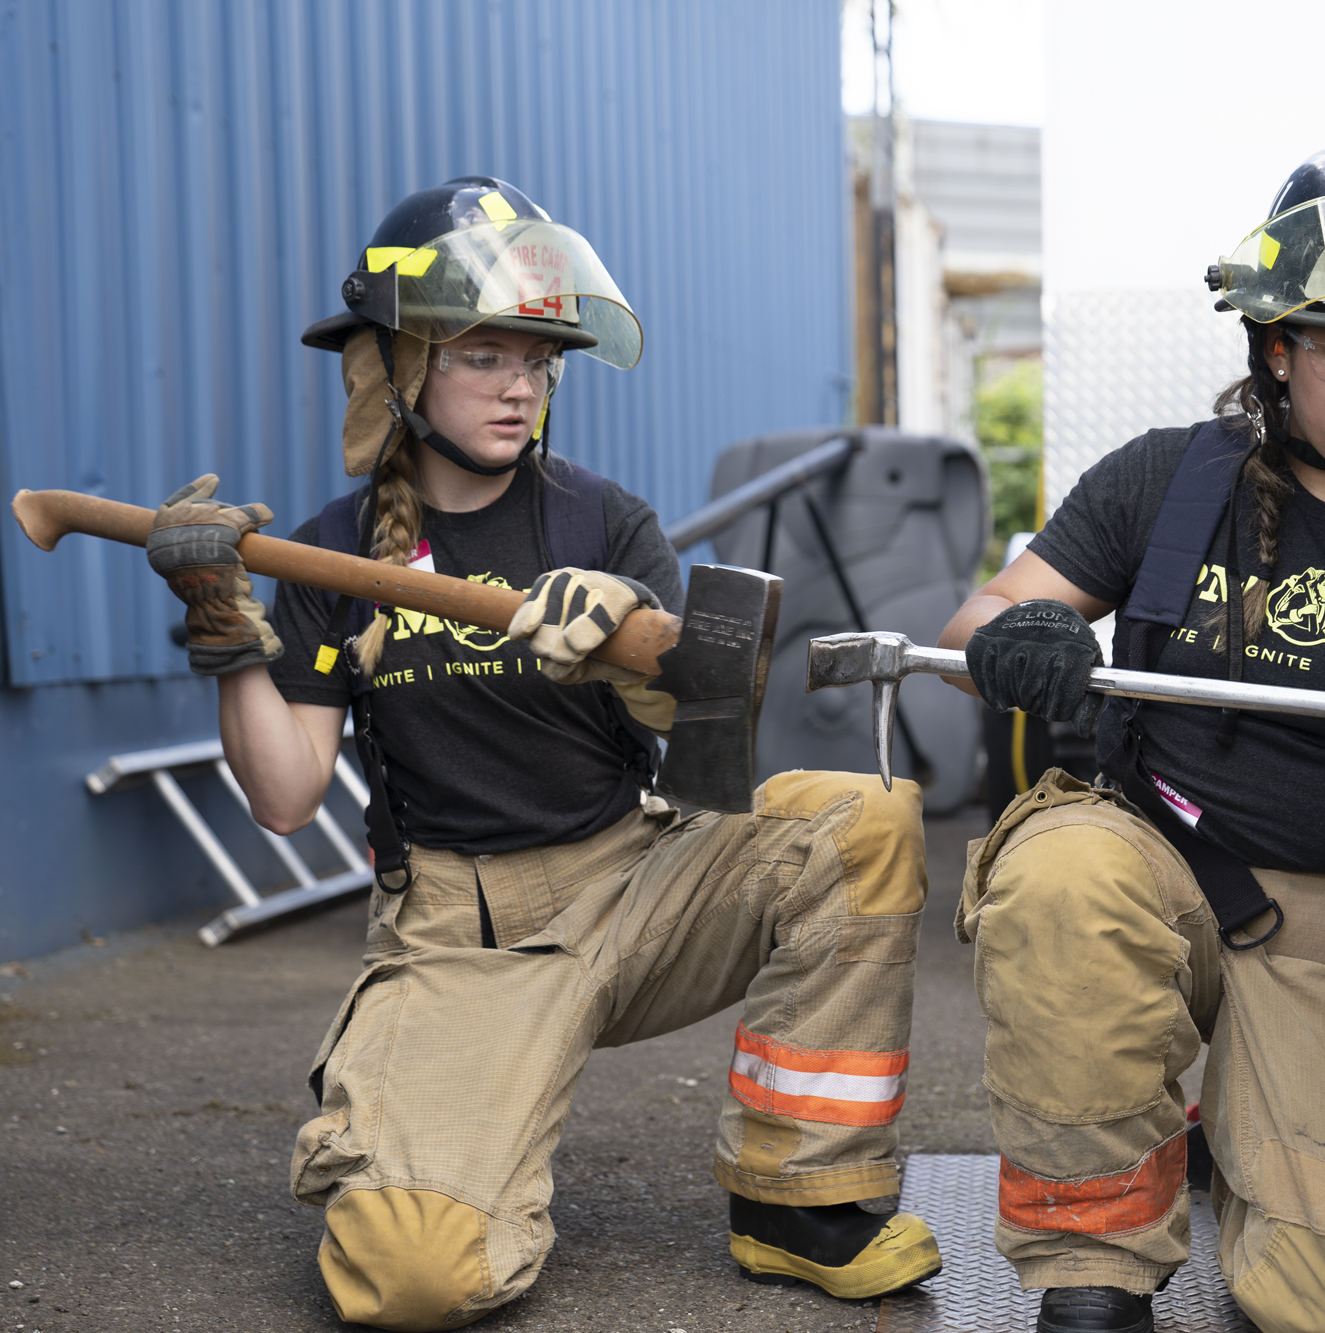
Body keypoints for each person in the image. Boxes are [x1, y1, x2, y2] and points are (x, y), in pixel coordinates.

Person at [143, 176, 941, 1331]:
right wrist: (225, 631)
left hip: (638, 881)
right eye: (482, 355)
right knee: (410, 1282)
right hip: (463, 936)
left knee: (856, 816)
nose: (521, 384)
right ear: (400, 366)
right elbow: (284, 796)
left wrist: (632, 646)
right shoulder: (325, 557)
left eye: (538, 357)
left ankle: (798, 1199)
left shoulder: (603, 524)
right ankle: (466, 1144)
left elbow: (707, 735)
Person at [935, 131, 1325, 1333]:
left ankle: (1244, 1140)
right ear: (1274, 345)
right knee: (1058, 876)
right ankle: (1088, 1269)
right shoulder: (1163, 482)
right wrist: (1015, 644)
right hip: (1152, 868)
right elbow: (977, 618)